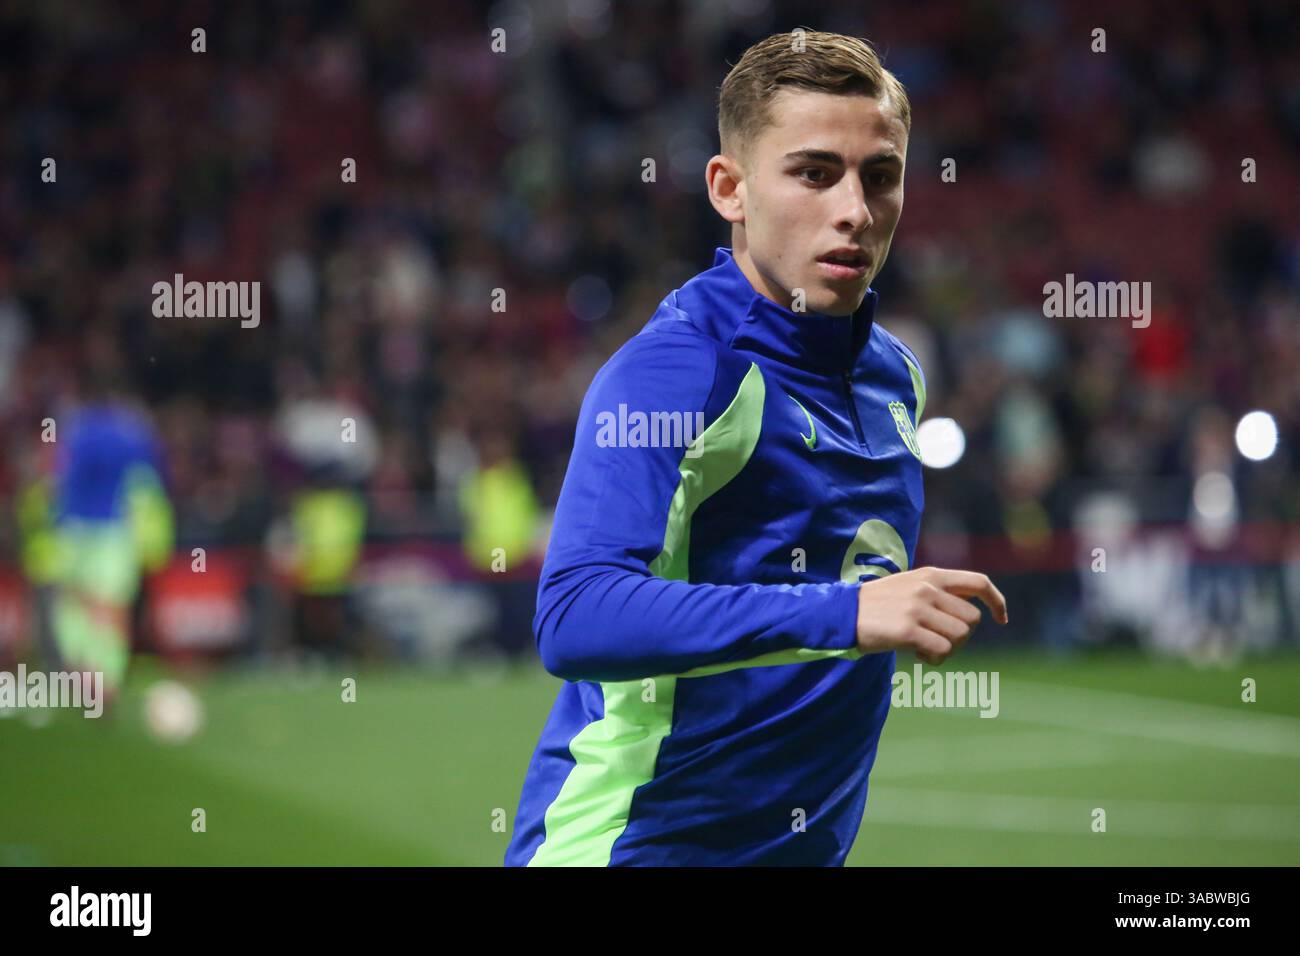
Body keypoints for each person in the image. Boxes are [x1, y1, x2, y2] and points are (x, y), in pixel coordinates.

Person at [506, 30, 1007, 867]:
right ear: (730, 189)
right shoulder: (678, 373)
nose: (853, 208)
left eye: (880, 176)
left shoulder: (897, 379)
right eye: (814, 173)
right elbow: (573, 614)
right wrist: (845, 613)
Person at [52, 377, 174, 704]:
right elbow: (152, 482)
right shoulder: (135, 433)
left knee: (75, 597)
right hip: (115, 530)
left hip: (74, 527)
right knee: (112, 604)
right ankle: (105, 677)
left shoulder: (76, 429)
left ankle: (79, 666)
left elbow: (62, 477)